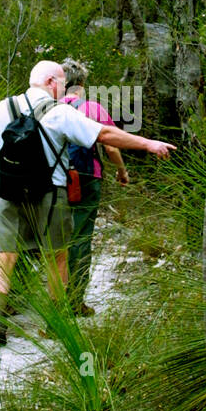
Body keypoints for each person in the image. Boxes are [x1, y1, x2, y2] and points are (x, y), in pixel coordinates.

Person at [0, 59, 175, 346]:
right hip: (50, 194)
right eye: (60, 82)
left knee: (5, 257)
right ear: (50, 82)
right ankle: (54, 324)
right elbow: (105, 135)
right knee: (56, 257)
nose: (62, 88)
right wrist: (148, 143)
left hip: (10, 194)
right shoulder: (59, 112)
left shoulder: (2, 108)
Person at [61, 57, 128, 316]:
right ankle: (75, 301)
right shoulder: (92, 108)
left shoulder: (49, 108)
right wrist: (122, 170)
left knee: (55, 239)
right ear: (82, 83)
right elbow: (111, 146)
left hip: (53, 180)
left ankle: (53, 300)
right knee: (80, 238)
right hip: (86, 178)